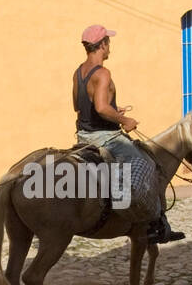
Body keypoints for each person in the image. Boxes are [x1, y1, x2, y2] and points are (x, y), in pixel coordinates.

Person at [72, 25, 184, 243]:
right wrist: (125, 120)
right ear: (102, 45)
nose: (109, 47)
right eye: (108, 43)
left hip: (83, 136)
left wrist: (115, 110)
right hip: (105, 138)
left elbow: (78, 104)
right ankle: (154, 225)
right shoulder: (103, 73)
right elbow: (101, 108)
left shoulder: (79, 72)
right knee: (148, 163)